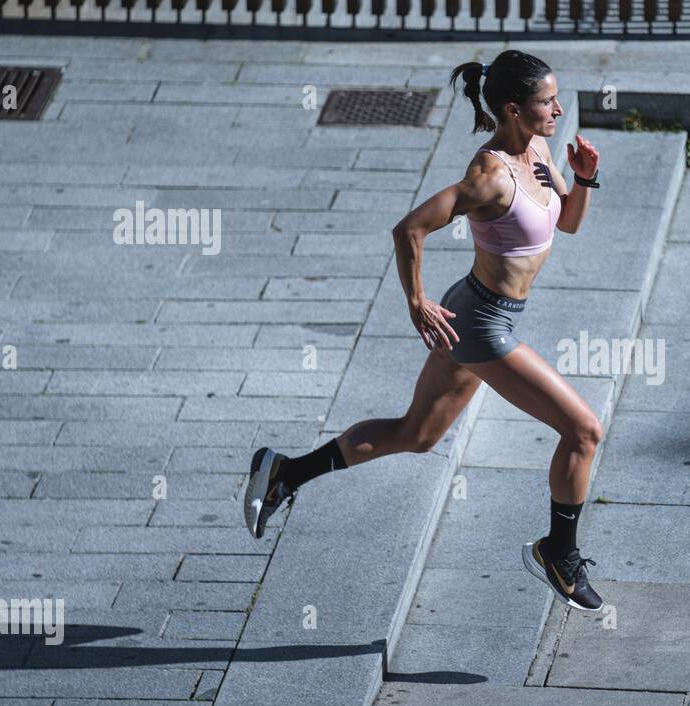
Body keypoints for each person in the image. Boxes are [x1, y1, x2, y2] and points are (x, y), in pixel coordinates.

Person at [244, 49, 606, 612]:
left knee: (418, 434)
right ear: (514, 108)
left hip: (480, 313)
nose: (559, 108)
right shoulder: (490, 176)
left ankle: (285, 473)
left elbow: (572, 221)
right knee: (583, 431)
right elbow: (409, 228)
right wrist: (416, 301)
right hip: (483, 325)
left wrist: (584, 177)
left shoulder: (538, 150)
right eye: (547, 101)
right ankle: (559, 552)